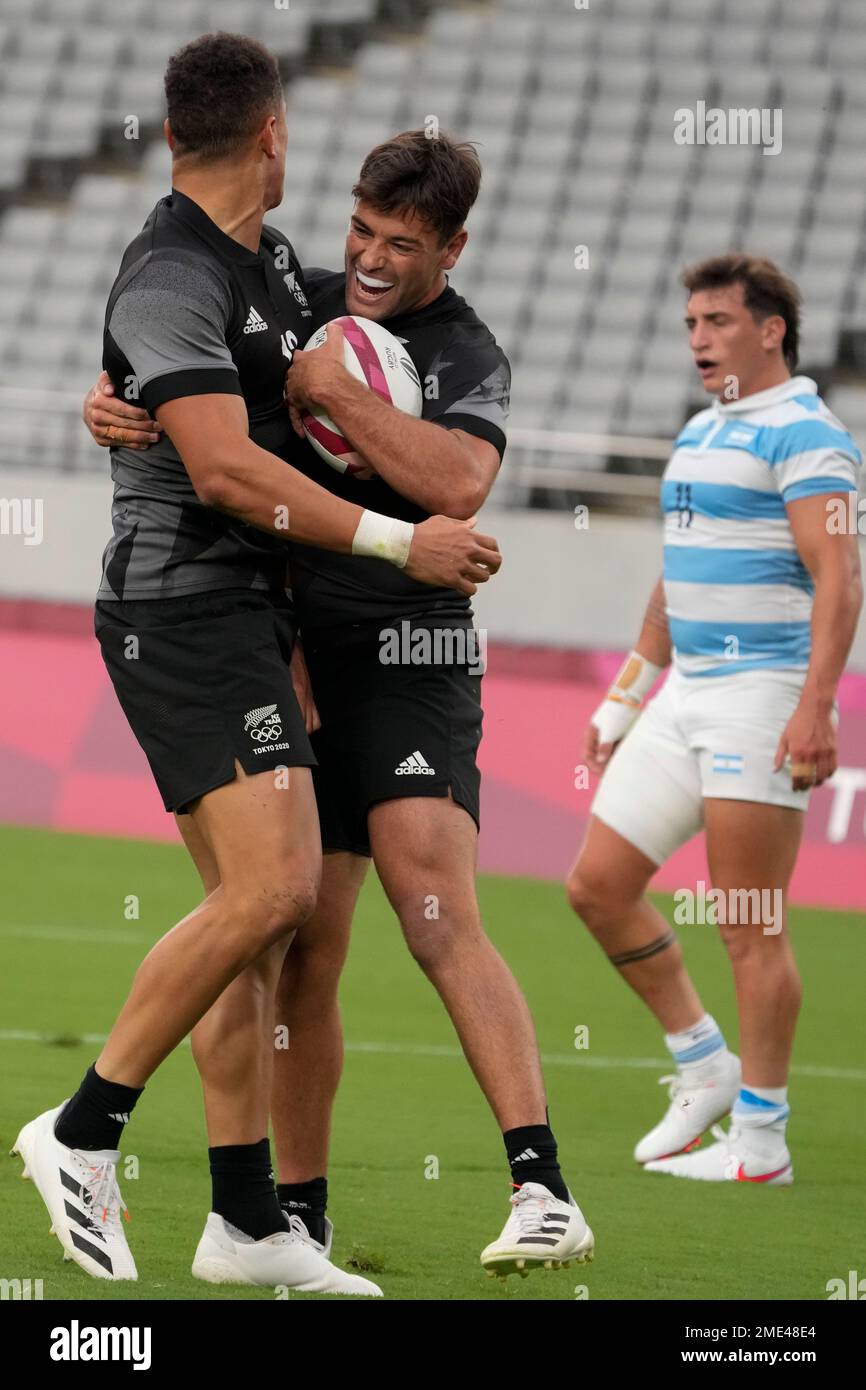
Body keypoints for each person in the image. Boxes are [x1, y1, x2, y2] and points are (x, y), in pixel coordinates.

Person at [14, 34, 499, 1295]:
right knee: (276, 891)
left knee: (261, 928)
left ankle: (242, 1222)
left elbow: (264, 407)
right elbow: (227, 469)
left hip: (252, 614)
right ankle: (79, 1129)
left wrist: (117, 396)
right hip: (182, 611)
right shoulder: (170, 270)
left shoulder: (273, 265)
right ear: (272, 135)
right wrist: (404, 542)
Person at [83, 130, 597, 1283]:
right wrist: (111, 402)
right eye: (359, 229)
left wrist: (327, 390)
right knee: (290, 939)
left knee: (430, 906)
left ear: (451, 249)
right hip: (291, 643)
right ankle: (288, 1218)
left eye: (398, 245)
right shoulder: (296, 291)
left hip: (407, 650)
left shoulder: (467, 351)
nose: (365, 259)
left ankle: (542, 1186)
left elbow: (457, 485)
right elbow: (184, 376)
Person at [566, 254, 862, 1184]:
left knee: (747, 922)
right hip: (685, 692)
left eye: (718, 322)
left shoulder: (810, 435)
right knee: (596, 888)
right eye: (691, 323)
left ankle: (762, 1145)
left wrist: (819, 708)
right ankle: (704, 1064)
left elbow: (840, 578)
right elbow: (676, 573)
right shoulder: (698, 433)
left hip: (763, 699)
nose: (698, 339)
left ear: (771, 330)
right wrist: (625, 696)